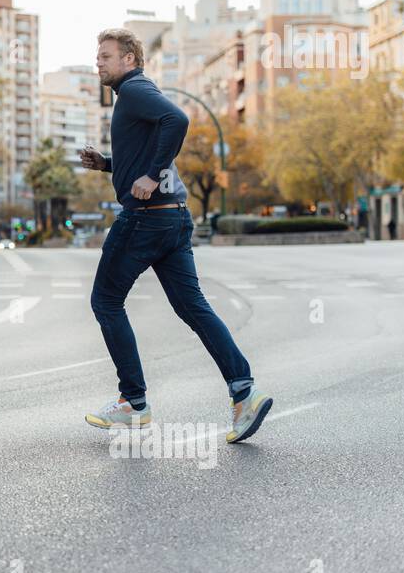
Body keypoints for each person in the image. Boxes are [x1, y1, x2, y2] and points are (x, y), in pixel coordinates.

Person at [80, 28, 273, 444]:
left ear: (129, 59)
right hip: (174, 218)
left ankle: (133, 403)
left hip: (146, 219)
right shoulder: (138, 94)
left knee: (106, 301)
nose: (99, 62)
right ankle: (245, 393)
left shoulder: (133, 90)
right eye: (97, 57)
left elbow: (178, 120)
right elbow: (152, 146)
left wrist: (148, 176)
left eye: (106, 56)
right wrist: (110, 164)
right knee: (193, 307)